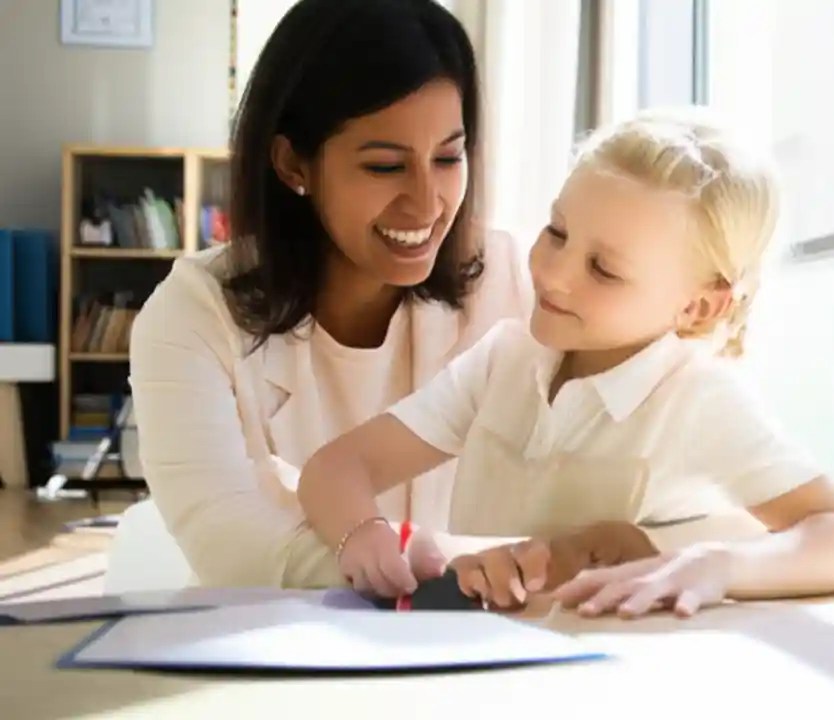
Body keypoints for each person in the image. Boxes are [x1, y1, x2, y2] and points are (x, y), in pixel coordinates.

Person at [127, 0, 659, 590]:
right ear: (292, 163)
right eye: (385, 166)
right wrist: (429, 579)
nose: (428, 203)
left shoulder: (519, 282)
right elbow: (228, 537)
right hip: (291, 648)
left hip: (492, 641)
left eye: (448, 158)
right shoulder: (193, 312)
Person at [297, 108, 834, 618]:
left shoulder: (699, 398)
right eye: (556, 232)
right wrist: (363, 535)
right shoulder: (503, 359)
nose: (553, 273)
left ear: (699, 306)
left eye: (604, 270)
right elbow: (337, 467)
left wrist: (717, 565)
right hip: (485, 658)